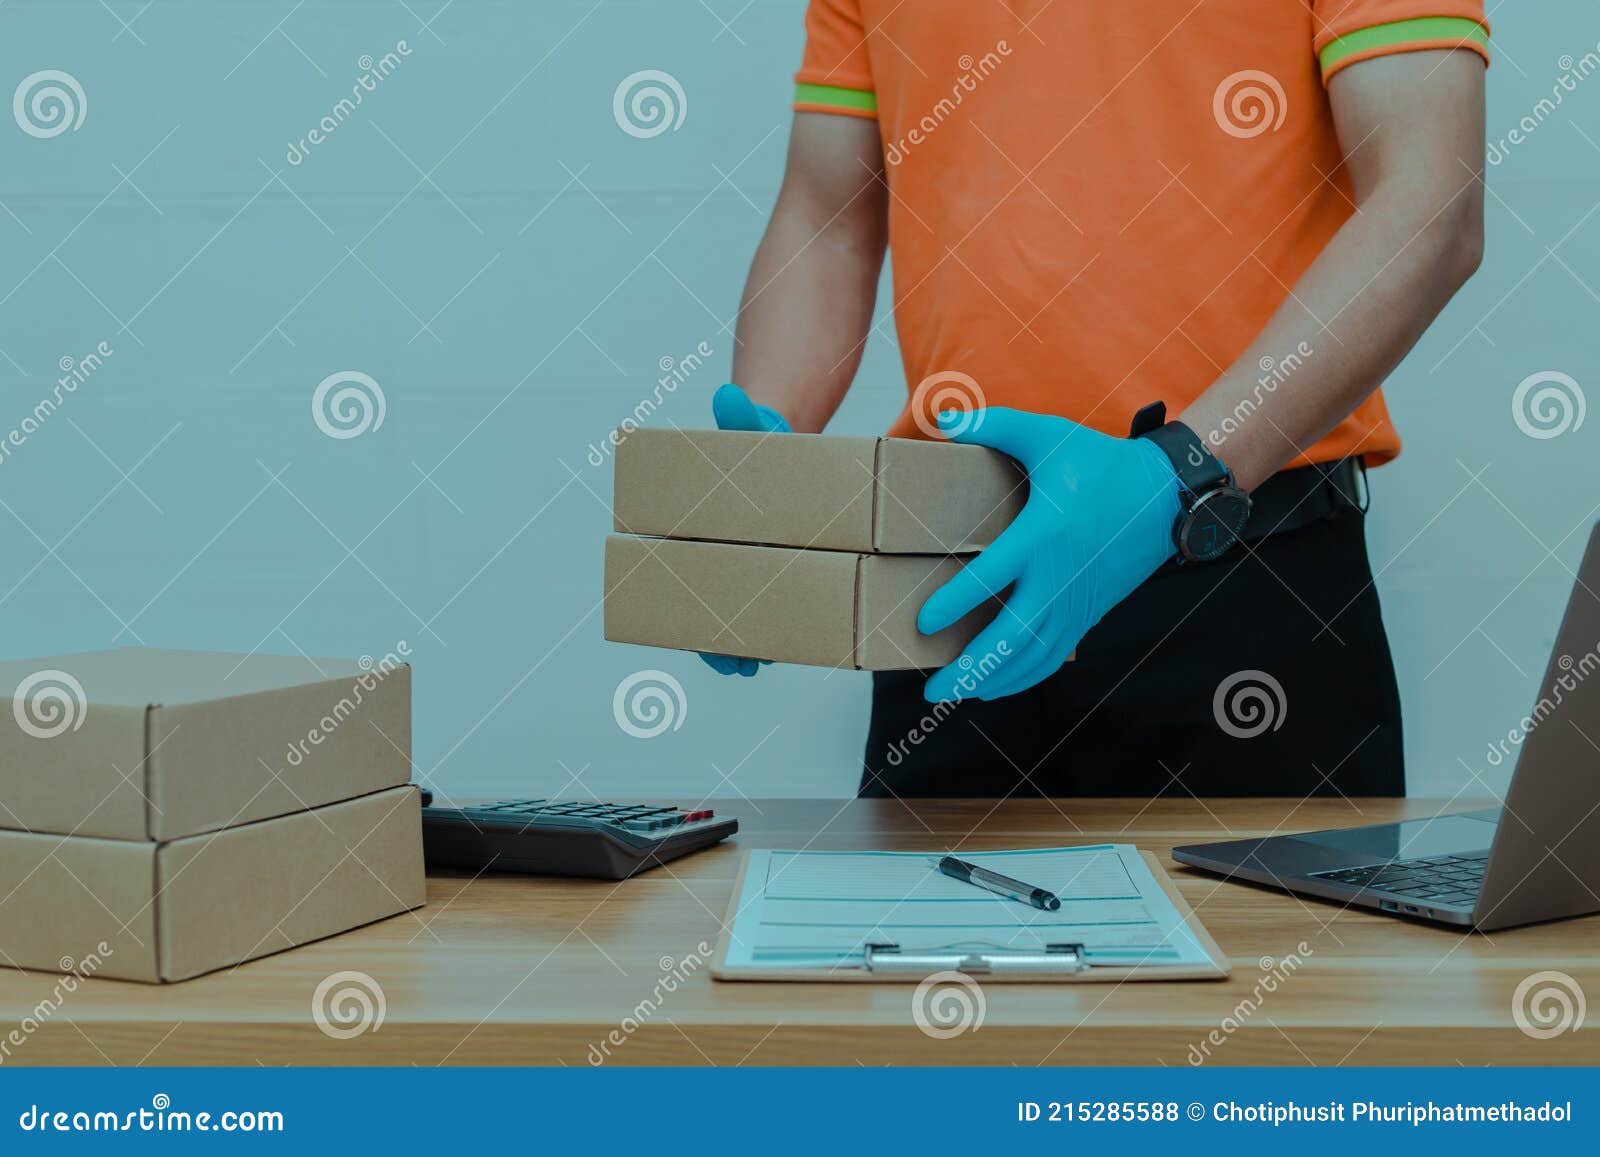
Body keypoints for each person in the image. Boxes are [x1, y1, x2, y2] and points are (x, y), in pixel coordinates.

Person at [702, 2, 1489, 800]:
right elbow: (831, 217)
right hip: (963, 594)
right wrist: (765, 473)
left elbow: (1430, 201)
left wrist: (1182, 471)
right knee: (932, 927)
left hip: (1248, 571)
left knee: (1274, 927)